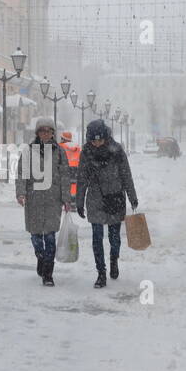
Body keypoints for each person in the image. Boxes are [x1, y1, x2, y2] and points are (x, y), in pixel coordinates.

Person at [76, 118, 138, 288]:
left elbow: (126, 175)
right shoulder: (86, 153)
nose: (96, 143)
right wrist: (79, 201)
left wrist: (132, 196)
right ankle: (101, 273)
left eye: (100, 139)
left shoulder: (117, 151)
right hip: (95, 199)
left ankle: (113, 260)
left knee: (114, 238)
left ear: (106, 136)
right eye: (93, 140)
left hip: (115, 197)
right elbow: (81, 179)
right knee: (97, 238)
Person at [16, 117, 72, 286]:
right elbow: (21, 173)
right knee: (35, 236)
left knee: (49, 236)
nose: (45, 133)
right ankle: (40, 257)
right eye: (42, 130)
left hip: (52, 200)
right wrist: (21, 193)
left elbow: (65, 177)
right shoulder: (28, 151)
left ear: (53, 133)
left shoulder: (60, 152)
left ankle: (48, 272)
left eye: (48, 130)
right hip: (34, 199)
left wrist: (66, 199)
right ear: (37, 133)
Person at [60, 130, 82, 199]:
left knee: (64, 184)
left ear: (63, 139)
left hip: (65, 168)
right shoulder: (77, 147)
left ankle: (66, 200)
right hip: (76, 168)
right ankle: (73, 199)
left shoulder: (60, 146)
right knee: (74, 184)